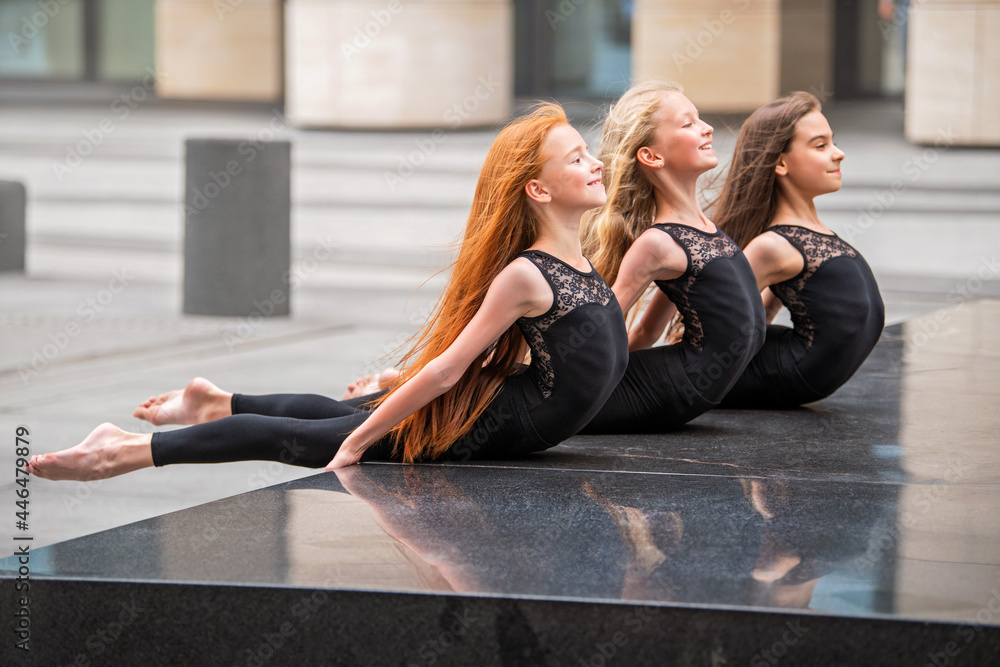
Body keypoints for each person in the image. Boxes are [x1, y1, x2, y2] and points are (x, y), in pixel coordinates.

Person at [27, 103, 628, 480]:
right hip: (480, 431)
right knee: (305, 437)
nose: (594, 163)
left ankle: (219, 402)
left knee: (343, 411)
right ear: (539, 191)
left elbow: (542, 357)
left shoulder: (574, 258)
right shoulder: (528, 273)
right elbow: (447, 372)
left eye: (587, 152)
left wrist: (392, 384)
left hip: (503, 410)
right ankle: (124, 451)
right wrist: (357, 444)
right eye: (576, 158)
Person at [578, 81, 765, 434]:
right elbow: (602, 325)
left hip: (685, 391)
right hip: (667, 388)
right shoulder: (658, 242)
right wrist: (576, 380)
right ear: (652, 156)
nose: (707, 127)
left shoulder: (703, 230)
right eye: (688, 123)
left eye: (699, 120)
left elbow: (649, 329)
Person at [715, 92, 884, 408]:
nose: (839, 154)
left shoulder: (808, 236)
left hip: (793, 370)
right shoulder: (772, 245)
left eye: (832, 143)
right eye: (821, 146)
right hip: (781, 371)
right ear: (780, 162)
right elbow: (718, 321)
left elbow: (757, 312)